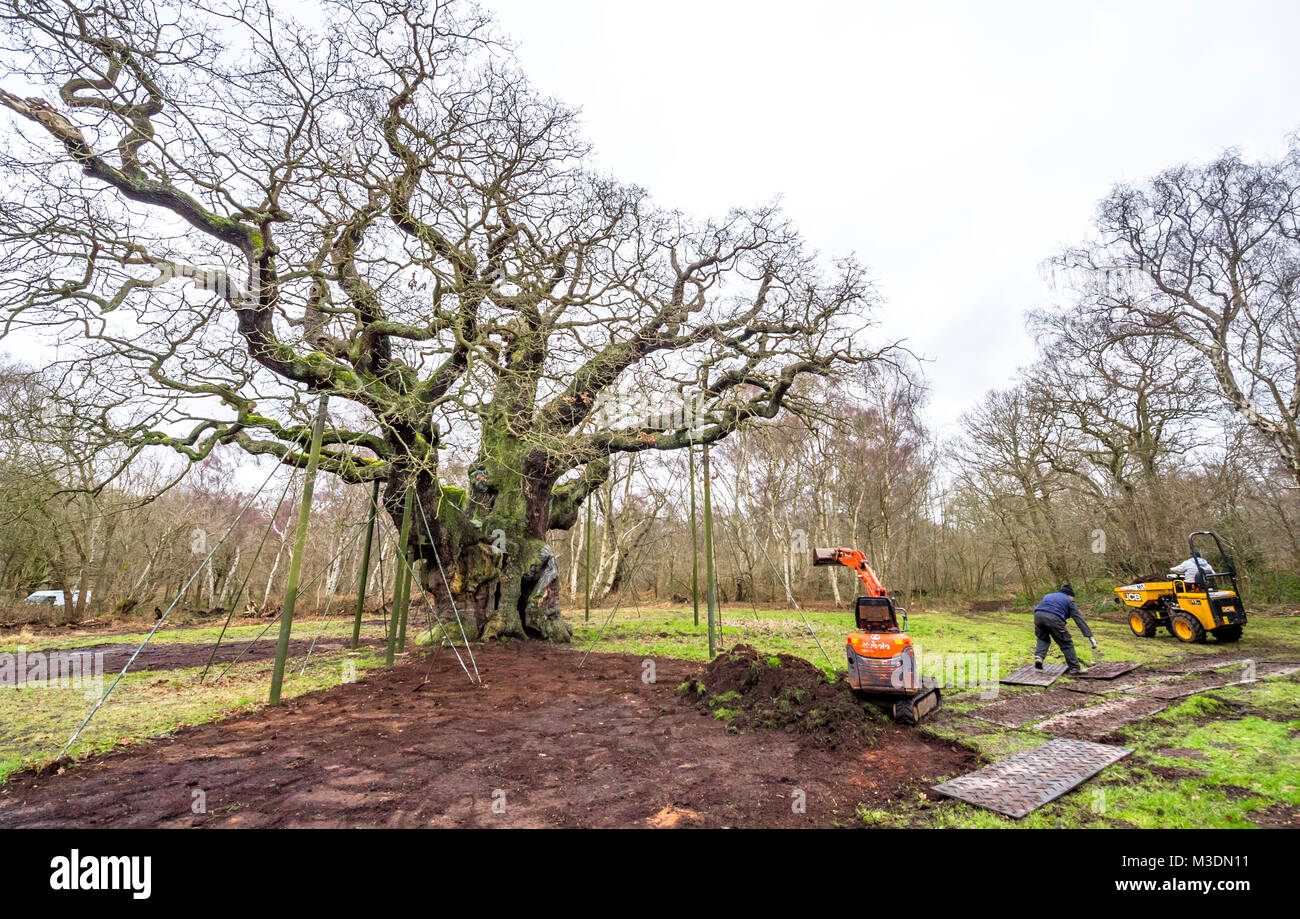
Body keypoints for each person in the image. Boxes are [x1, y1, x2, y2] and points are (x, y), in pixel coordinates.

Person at [1033, 583, 1096, 675]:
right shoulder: (1069, 600)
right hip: (1054, 618)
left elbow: (1046, 607)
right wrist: (1090, 636)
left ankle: (1039, 657)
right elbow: (1079, 619)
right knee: (1066, 643)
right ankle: (1074, 669)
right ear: (1070, 596)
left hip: (1038, 616)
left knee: (1043, 638)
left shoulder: (1048, 595)